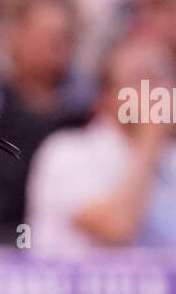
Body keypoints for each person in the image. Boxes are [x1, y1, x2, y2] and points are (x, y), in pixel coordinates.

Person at [27, 36, 176, 250]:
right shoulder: (66, 153)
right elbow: (116, 226)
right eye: (143, 79)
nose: (159, 93)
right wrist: (151, 133)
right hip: (76, 283)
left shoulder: (171, 159)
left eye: (164, 78)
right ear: (107, 96)